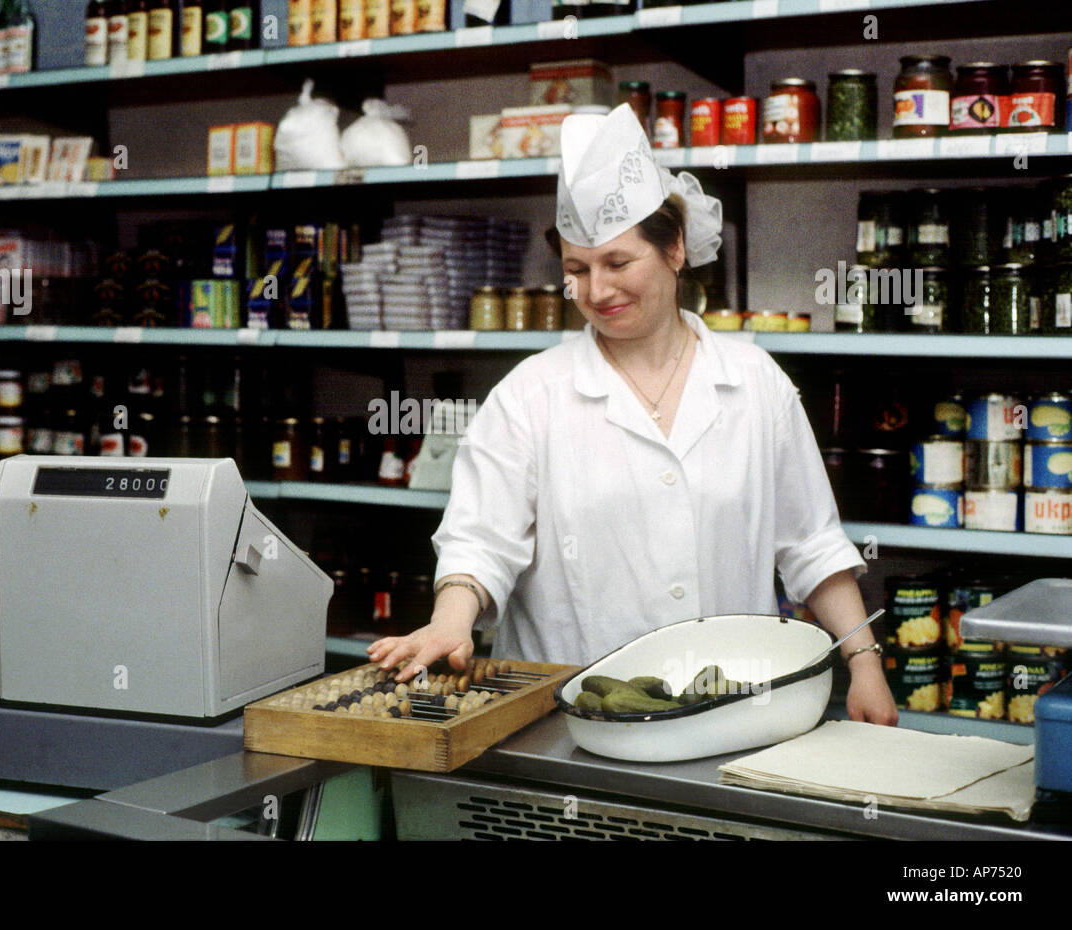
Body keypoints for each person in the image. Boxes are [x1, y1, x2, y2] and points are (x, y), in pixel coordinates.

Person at [369, 103, 898, 725]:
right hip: (569, 720)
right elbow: (481, 542)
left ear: (674, 249)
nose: (597, 291)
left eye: (618, 263)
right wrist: (448, 623)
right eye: (576, 270)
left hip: (733, 711)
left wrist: (864, 665)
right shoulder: (529, 396)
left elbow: (811, 546)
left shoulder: (756, 385)